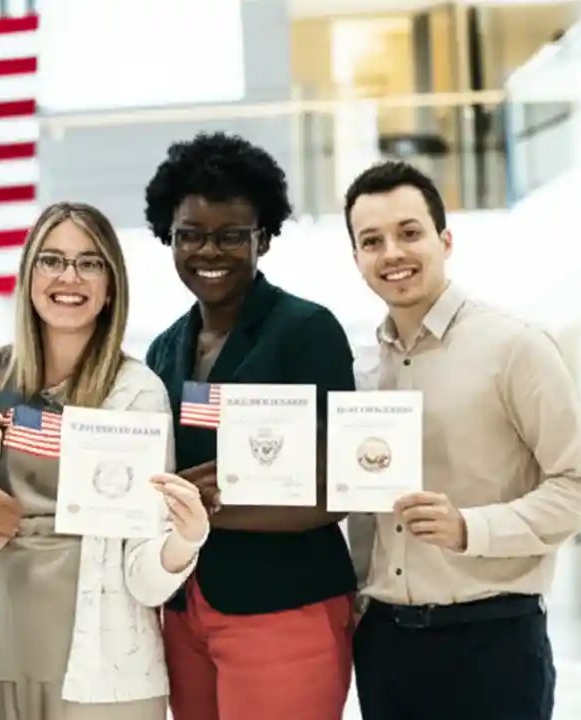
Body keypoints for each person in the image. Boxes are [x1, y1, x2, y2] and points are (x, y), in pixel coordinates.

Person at [343, 160, 581, 720]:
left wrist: (471, 527)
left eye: (409, 233)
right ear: (357, 258)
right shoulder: (365, 370)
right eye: (372, 240)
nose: (392, 252)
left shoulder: (516, 347)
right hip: (386, 647)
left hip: (492, 644)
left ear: (445, 239)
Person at [0, 201, 212, 720]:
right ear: (28, 276)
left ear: (110, 284)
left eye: (89, 263)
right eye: (51, 260)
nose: (68, 277)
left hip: (104, 664)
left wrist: (184, 542)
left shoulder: (136, 393)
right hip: (2, 647)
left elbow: (144, 577)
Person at [141, 132, 357, 720]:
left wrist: (213, 500)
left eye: (232, 235)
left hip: (283, 606)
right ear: (169, 236)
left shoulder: (305, 331)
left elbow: (339, 485)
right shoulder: (165, 349)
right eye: (190, 235)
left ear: (262, 237)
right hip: (186, 611)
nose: (209, 251)